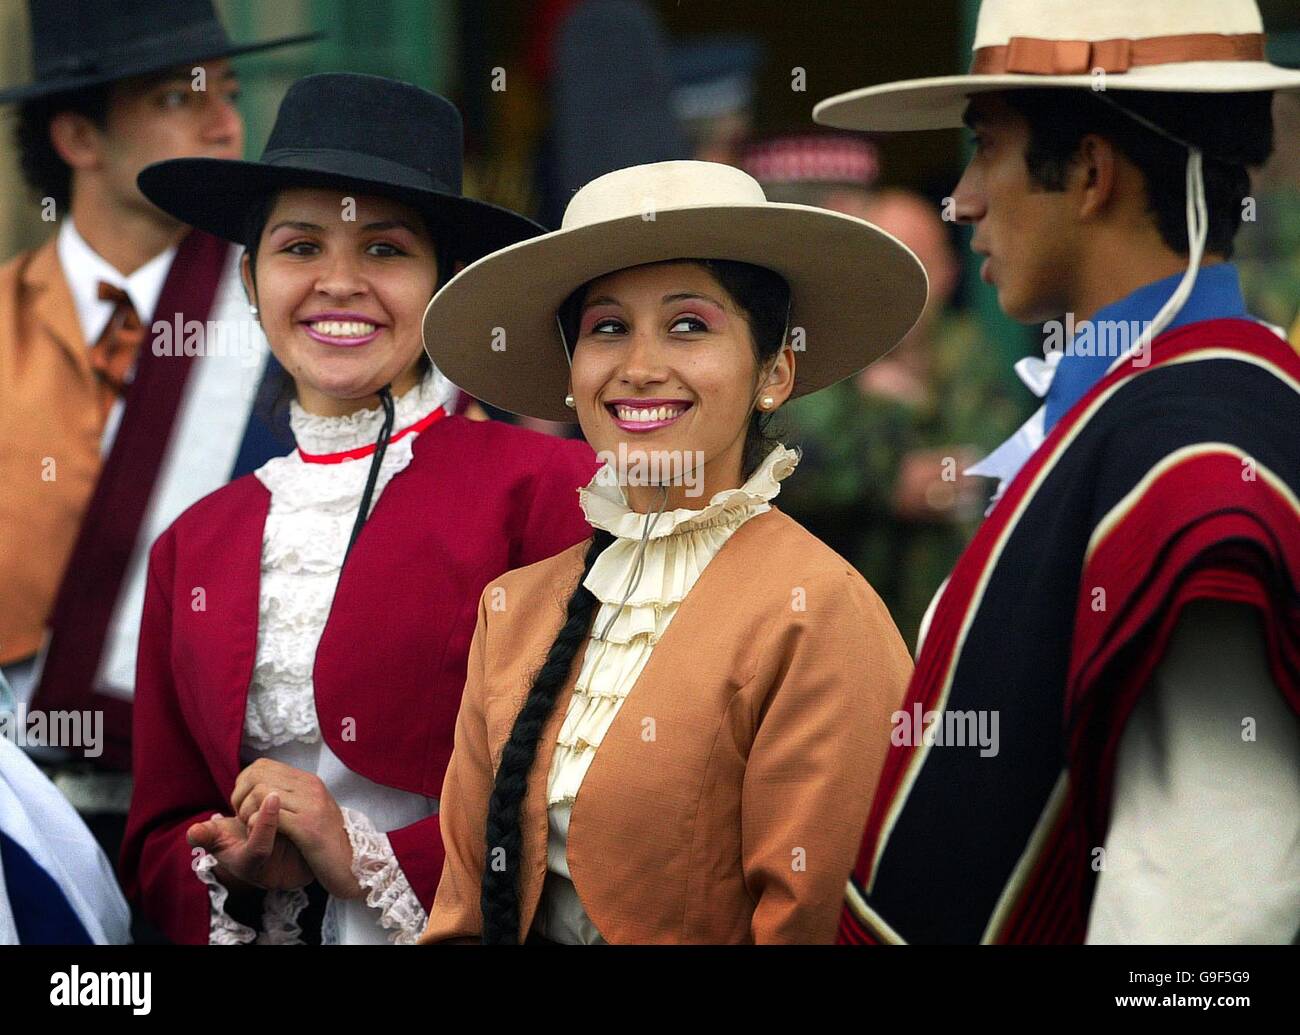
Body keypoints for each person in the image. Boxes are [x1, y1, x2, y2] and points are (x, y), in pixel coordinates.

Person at [815, 0, 1300, 943]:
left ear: (1087, 172)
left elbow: (1210, 905)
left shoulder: (1195, 455)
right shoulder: (1151, 409)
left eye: (985, 148)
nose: (962, 198)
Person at [119, 73, 597, 945]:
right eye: (300, 247)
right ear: (249, 279)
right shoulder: (193, 543)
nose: (339, 283)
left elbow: (588, 782)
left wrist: (368, 856)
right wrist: (227, 862)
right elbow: (156, 827)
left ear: (443, 284)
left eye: (384, 250)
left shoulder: (546, 487)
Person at [418, 159, 926, 944]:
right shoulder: (513, 608)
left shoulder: (822, 612)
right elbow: (458, 915)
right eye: (607, 328)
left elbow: (816, 922)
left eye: (689, 324)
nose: (640, 367)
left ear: (774, 371)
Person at [0, 0, 314, 806]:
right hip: (20, 798)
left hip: (235, 802)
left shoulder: (297, 322)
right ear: (78, 139)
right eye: (179, 98)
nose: (222, 124)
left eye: (230, 92)